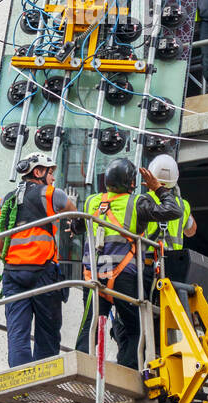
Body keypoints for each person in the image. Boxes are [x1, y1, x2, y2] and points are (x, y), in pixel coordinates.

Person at [75, 156, 180, 369]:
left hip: (93, 274)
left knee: (90, 326)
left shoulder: (91, 201)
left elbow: (79, 225)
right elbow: (173, 211)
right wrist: (158, 188)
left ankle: (78, 374)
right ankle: (128, 374)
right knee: (135, 330)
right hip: (123, 276)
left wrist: (75, 228)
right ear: (132, 183)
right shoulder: (137, 202)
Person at [0, 154, 76, 367]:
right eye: (50, 173)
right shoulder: (51, 195)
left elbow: (0, 245)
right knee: (47, 333)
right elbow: (74, 213)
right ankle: (45, 388)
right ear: (38, 172)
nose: (53, 179)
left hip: (13, 274)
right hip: (43, 272)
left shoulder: (6, 201)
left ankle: (21, 386)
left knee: (17, 333)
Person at [142, 153, 196, 288]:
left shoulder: (140, 201)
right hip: (175, 265)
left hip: (147, 263)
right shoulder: (183, 205)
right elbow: (191, 231)